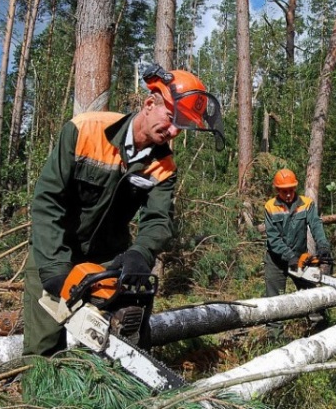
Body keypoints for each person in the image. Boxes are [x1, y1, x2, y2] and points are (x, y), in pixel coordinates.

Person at [23, 65, 224, 356]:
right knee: (44, 349)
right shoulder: (85, 131)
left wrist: (139, 254)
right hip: (54, 249)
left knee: (122, 341)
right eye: (171, 119)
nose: (174, 132)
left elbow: (158, 219)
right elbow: (48, 200)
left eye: (182, 126)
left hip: (108, 259)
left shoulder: (163, 166)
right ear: (149, 104)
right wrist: (55, 269)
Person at [263, 168, 332, 330]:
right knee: (275, 300)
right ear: (277, 190)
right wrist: (290, 257)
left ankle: (319, 328)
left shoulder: (306, 204)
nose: (288, 194)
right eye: (284, 191)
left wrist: (323, 245)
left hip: (298, 257)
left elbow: (315, 224)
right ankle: (274, 337)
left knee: (309, 291)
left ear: (296, 187)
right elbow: (273, 239)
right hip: (276, 260)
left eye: (291, 190)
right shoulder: (270, 207)